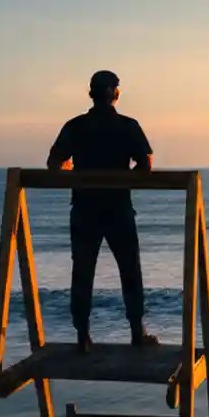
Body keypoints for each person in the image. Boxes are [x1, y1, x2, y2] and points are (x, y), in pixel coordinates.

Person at [47, 70, 158, 352]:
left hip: (85, 208)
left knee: (82, 271)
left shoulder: (76, 126)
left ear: (91, 94)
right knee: (129, 269)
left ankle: (82, 336)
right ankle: (136, 331)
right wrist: (123, 177)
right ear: (115, 93)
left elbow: (53, 163)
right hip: (119, 207)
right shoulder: (128, 126)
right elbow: (146, 166)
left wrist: (73, 171)